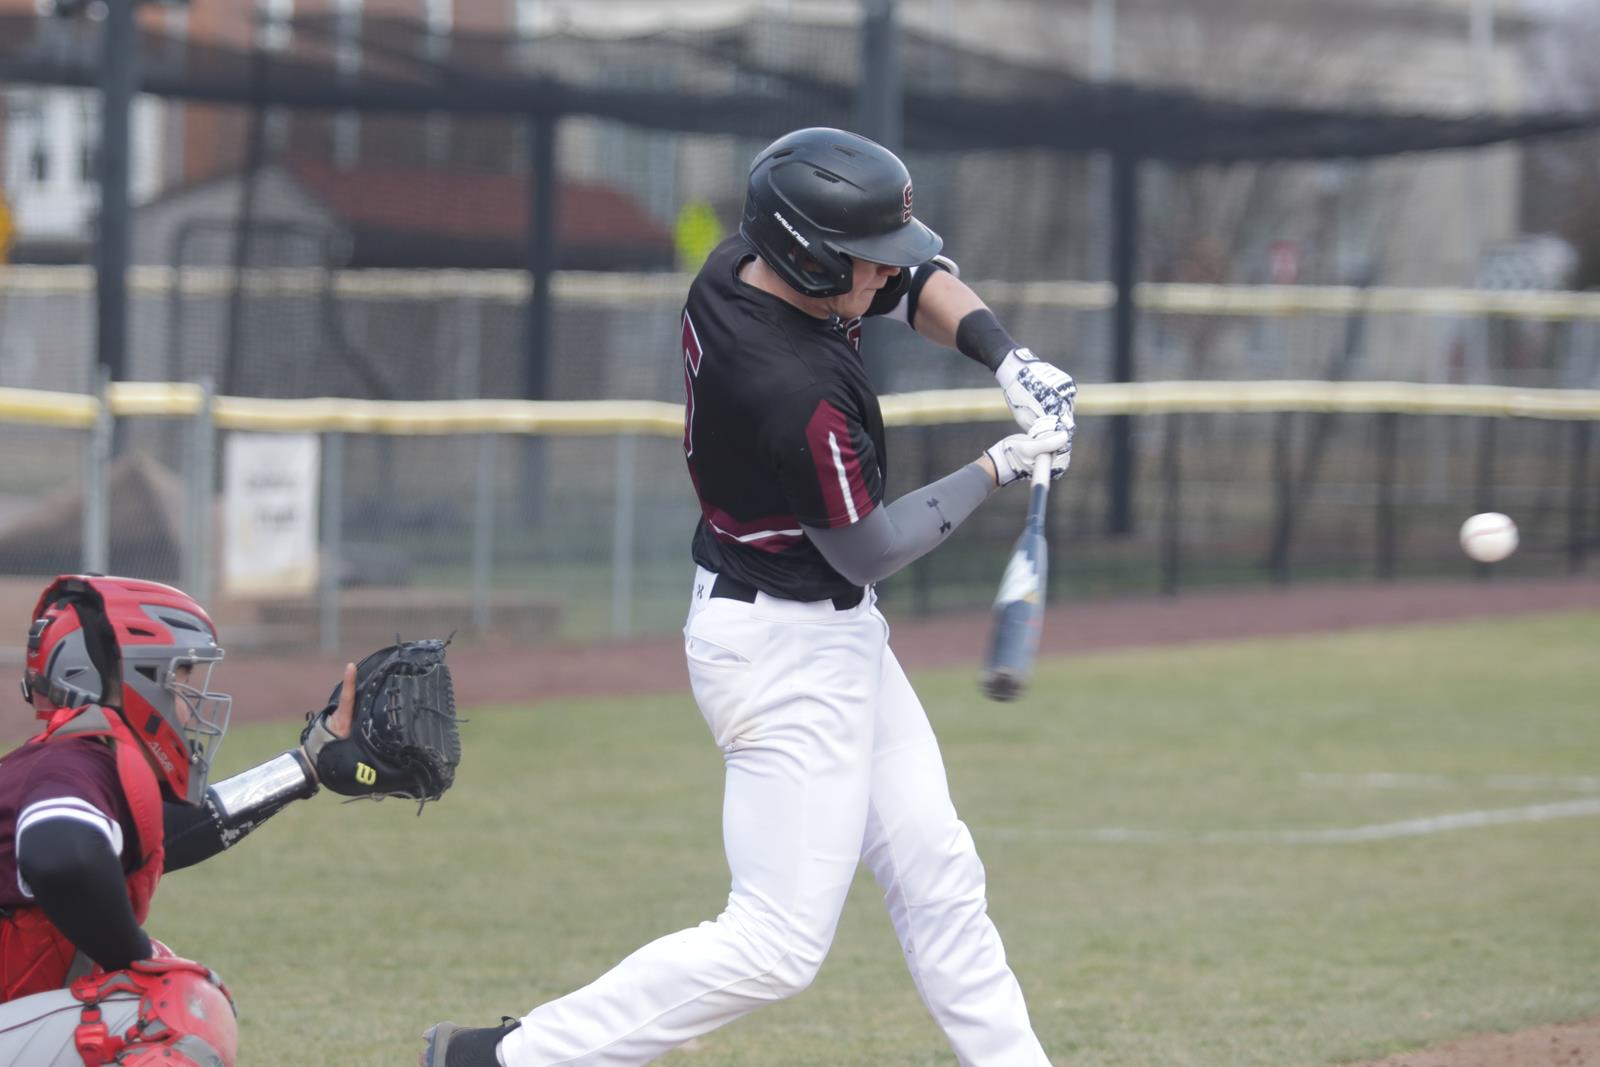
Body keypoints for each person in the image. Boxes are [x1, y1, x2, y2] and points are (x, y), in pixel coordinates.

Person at [422, 127, 1076, 1067]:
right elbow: (868, 549)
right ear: (809, 256)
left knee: (940, 873)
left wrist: (1008, 359)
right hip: (782, 655)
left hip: (825, 633)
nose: (883, 278)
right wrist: (999, 464)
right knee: (775, 944)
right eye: (863, 262)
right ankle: (506, 1060)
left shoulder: (744, 264)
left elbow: (917, 277)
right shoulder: (788, 388)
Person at [0, 573, 359, 1066]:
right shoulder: (70, 766)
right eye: (177, 679)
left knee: (150, 976)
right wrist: (133, 955)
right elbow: (63, 856)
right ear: (122, 678)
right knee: (175, 1003)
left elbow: (170, 833)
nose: (190, 705)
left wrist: (305, 767)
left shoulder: (70, 763)